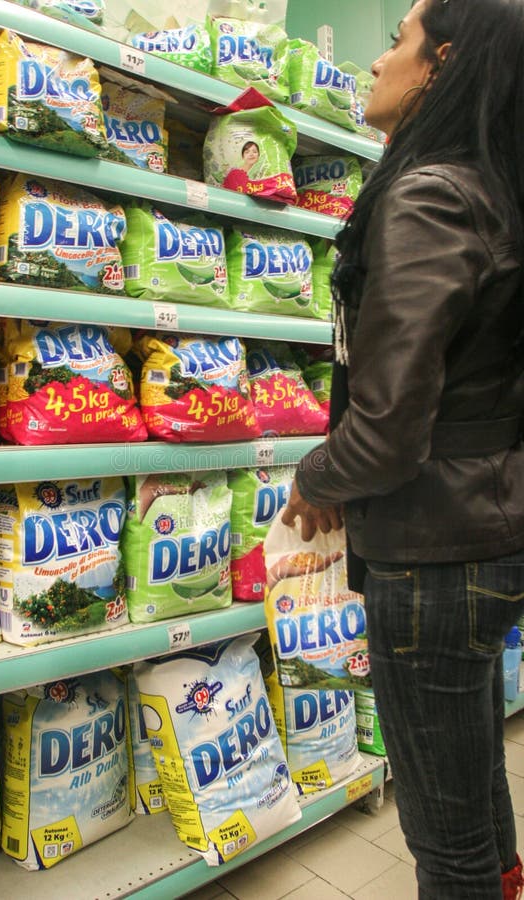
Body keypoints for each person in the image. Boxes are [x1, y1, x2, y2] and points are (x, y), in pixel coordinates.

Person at [281, 0, 524, 897]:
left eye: (395, 41)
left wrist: (316, 475)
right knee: (471, 783)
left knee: (443, 836)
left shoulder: (431, 193)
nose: (377, 62)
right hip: (480, 529)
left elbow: (386, 428)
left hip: (433, 550)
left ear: (439, 64)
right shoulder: (490, 182)